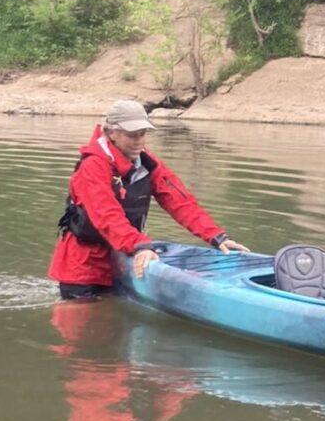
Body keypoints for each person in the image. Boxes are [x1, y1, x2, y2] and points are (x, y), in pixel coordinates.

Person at [49, 99, 247, 299]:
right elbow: (107, 216)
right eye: (132, 135)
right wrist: (140, 245)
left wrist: (216, 236)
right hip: (83, 266)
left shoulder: (146, 163)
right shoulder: (92, 167)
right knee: (82, 325)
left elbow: (179, 201)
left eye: (143, 134)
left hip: (121, 261)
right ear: (111, 133)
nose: (139, 142)